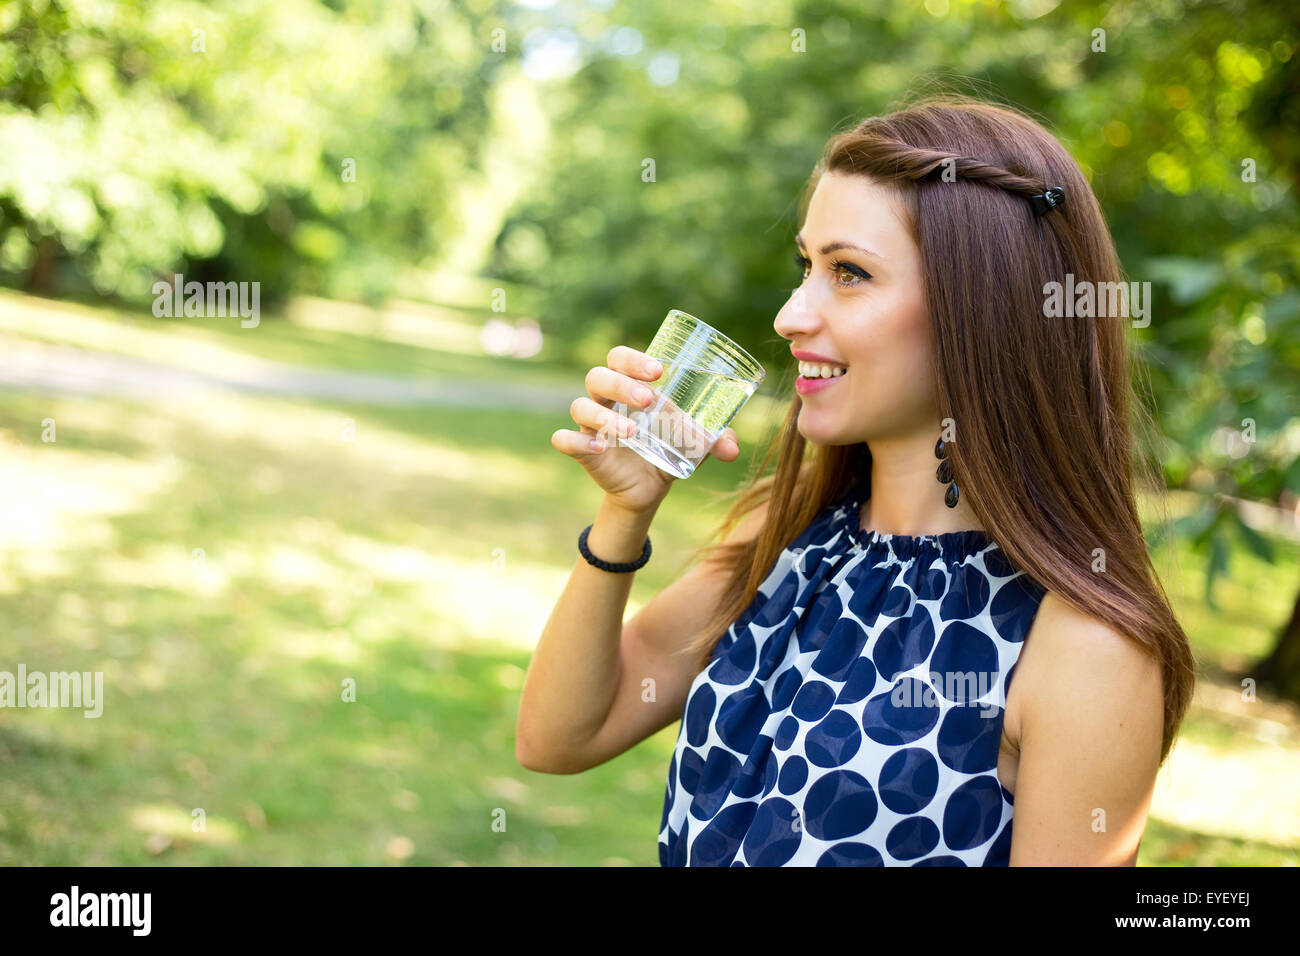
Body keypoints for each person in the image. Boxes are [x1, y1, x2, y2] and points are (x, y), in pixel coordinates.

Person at [517, 92, 1195, 866]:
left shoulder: (1085, 651)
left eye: (848, 273)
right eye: (806, 265)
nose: (790, 314)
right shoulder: (787, 536)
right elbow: (557, 736)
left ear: (984, 310)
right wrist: (622, 514)